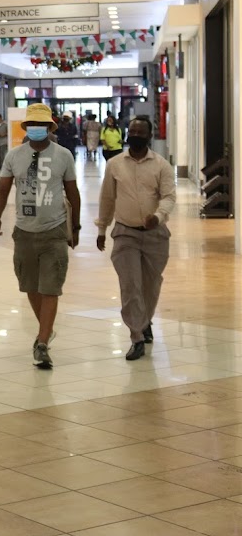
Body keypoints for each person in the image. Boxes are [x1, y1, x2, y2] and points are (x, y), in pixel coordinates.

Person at [0, 103, 81, 369]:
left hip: (54, 230)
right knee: (31, 286)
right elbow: (2, 190)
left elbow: (73, 193)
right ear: (26, 128)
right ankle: (46, 329)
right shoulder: (14, 156)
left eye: (42, 126)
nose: (37, 130)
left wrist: (75, 227)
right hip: (24, 232)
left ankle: (42, 342)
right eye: (32, 125)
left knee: (50, 287)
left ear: (50, 128)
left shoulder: (64, 155)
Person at [96, 117, 176, 360]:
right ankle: (137, 336)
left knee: (151, 286)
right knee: (130, 286)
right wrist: (101, 229)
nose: (136, 134)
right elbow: (107, 198)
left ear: (149, 136)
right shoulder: (115, 164)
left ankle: (145, 321)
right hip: (125, 233)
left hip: (155, 235)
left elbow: (169, 197)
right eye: (132, 131)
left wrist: (159, 216)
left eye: (141, 131)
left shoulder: (161, 165)